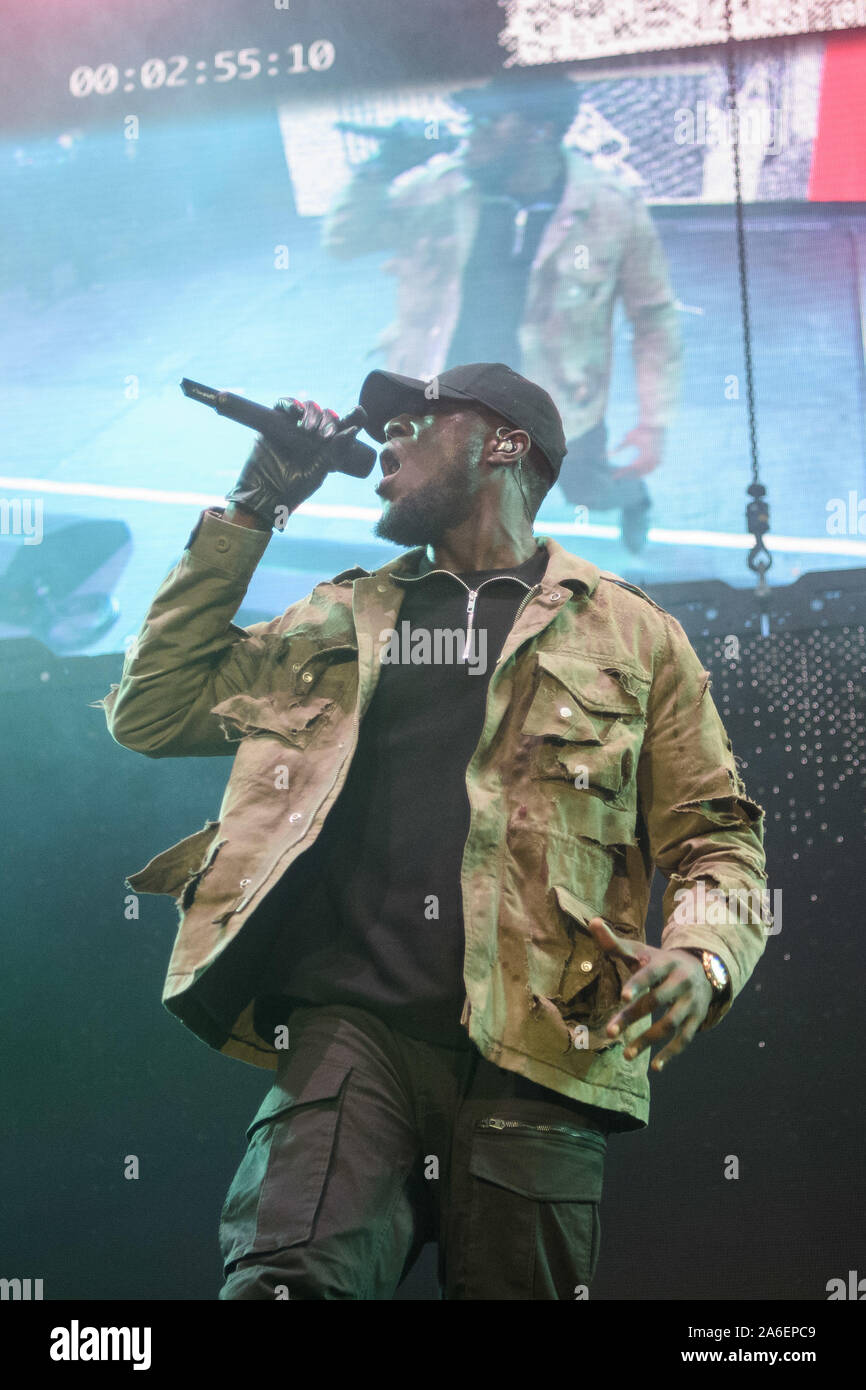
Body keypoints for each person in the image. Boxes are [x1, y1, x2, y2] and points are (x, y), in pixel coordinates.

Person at [101, 361, 767, 1301]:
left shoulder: (634, 637)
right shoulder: (343, 614)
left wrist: (705, 957)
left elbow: (717, 836)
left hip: (542, 1052)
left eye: (416, 421)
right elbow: (154, 711)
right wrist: (257, 501)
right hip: (347, 1046)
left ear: (504, 444)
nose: (385, 442)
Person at [322, 74, 682, 553]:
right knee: (438, 508)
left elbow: (653, 317)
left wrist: (653, 421)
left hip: (557, 408)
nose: (471, 135)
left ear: (541, 130)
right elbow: (344, 241)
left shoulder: (611, 209)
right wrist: (377, 171)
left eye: (488, 122)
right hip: (446, 403)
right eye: (469, 121)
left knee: (590, 491)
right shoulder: (439, 189)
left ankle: (631, 499)